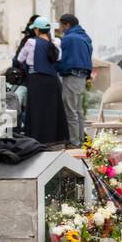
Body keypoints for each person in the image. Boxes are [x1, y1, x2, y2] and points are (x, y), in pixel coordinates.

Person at [24, 17, 67, 145]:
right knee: (52, 110)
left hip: (36, 79)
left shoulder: (31, 42)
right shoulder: (55, 43)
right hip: (53, 80)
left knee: (37, 110)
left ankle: (36, 139)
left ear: (37, 30)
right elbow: (59, 59)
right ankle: (53, 139)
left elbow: (21, 58)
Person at [55, 13, 92, 144]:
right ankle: (81, 140)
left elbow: (64, 60)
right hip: (82, 77)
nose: (60, 28)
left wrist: (55, 67)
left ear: (67, 24)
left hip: (71, 76)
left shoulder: (69, 38)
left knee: (71, 111)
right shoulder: (85, 37)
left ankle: (74, 142)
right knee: (78, 111)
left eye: (61, 25)